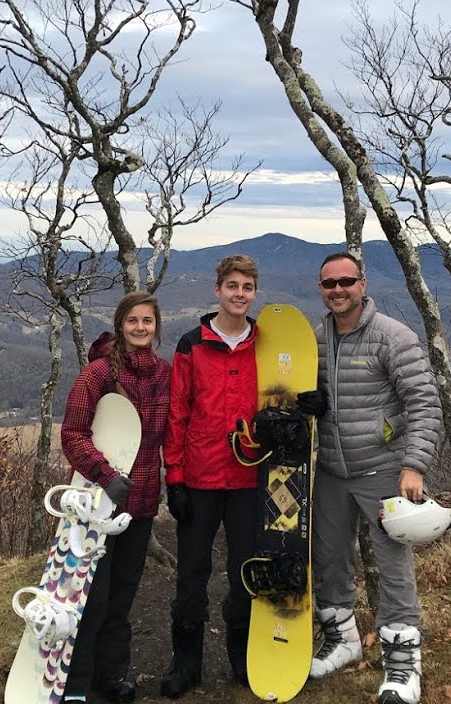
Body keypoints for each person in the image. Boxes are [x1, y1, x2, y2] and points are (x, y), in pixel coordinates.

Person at [301, 252, 444, 704]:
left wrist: (414, 465)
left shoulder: (392, 337)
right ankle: (341, 641)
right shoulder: (316, 339)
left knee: (392, 565)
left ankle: (403, 665)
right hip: (331, 471)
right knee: (328, 560)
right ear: (320, 288)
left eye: (346, 281)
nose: (338, 289)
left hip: (383, 469)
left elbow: (423, 401)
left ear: (362, 284)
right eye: (329, 283)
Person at [60, 291, 172, 704]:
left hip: (141, 506)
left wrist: (173, 482)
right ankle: (76, 683)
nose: (141, 328)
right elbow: (72, 434)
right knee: (92, 596)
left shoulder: (165, 374)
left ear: (156, 326)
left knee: (122, 596)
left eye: (147, 321)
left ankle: (113, 675)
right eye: (133, 321)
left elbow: (171, 436)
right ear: (121, 324)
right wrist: (105, 476)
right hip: (95, 506)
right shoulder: (97, 375)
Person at [160, 254, 261, 697]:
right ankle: (186, 665)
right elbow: (177, 414)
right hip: (199, 478)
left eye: (248, 287)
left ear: (254, 293)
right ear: (217, 290)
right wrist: (174, 478)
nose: (240, 294)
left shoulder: (267, 342)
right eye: (233, 286)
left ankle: (244, 660)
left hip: (250, 479)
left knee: (246, 571)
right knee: (192, 573)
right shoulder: (191, 345)